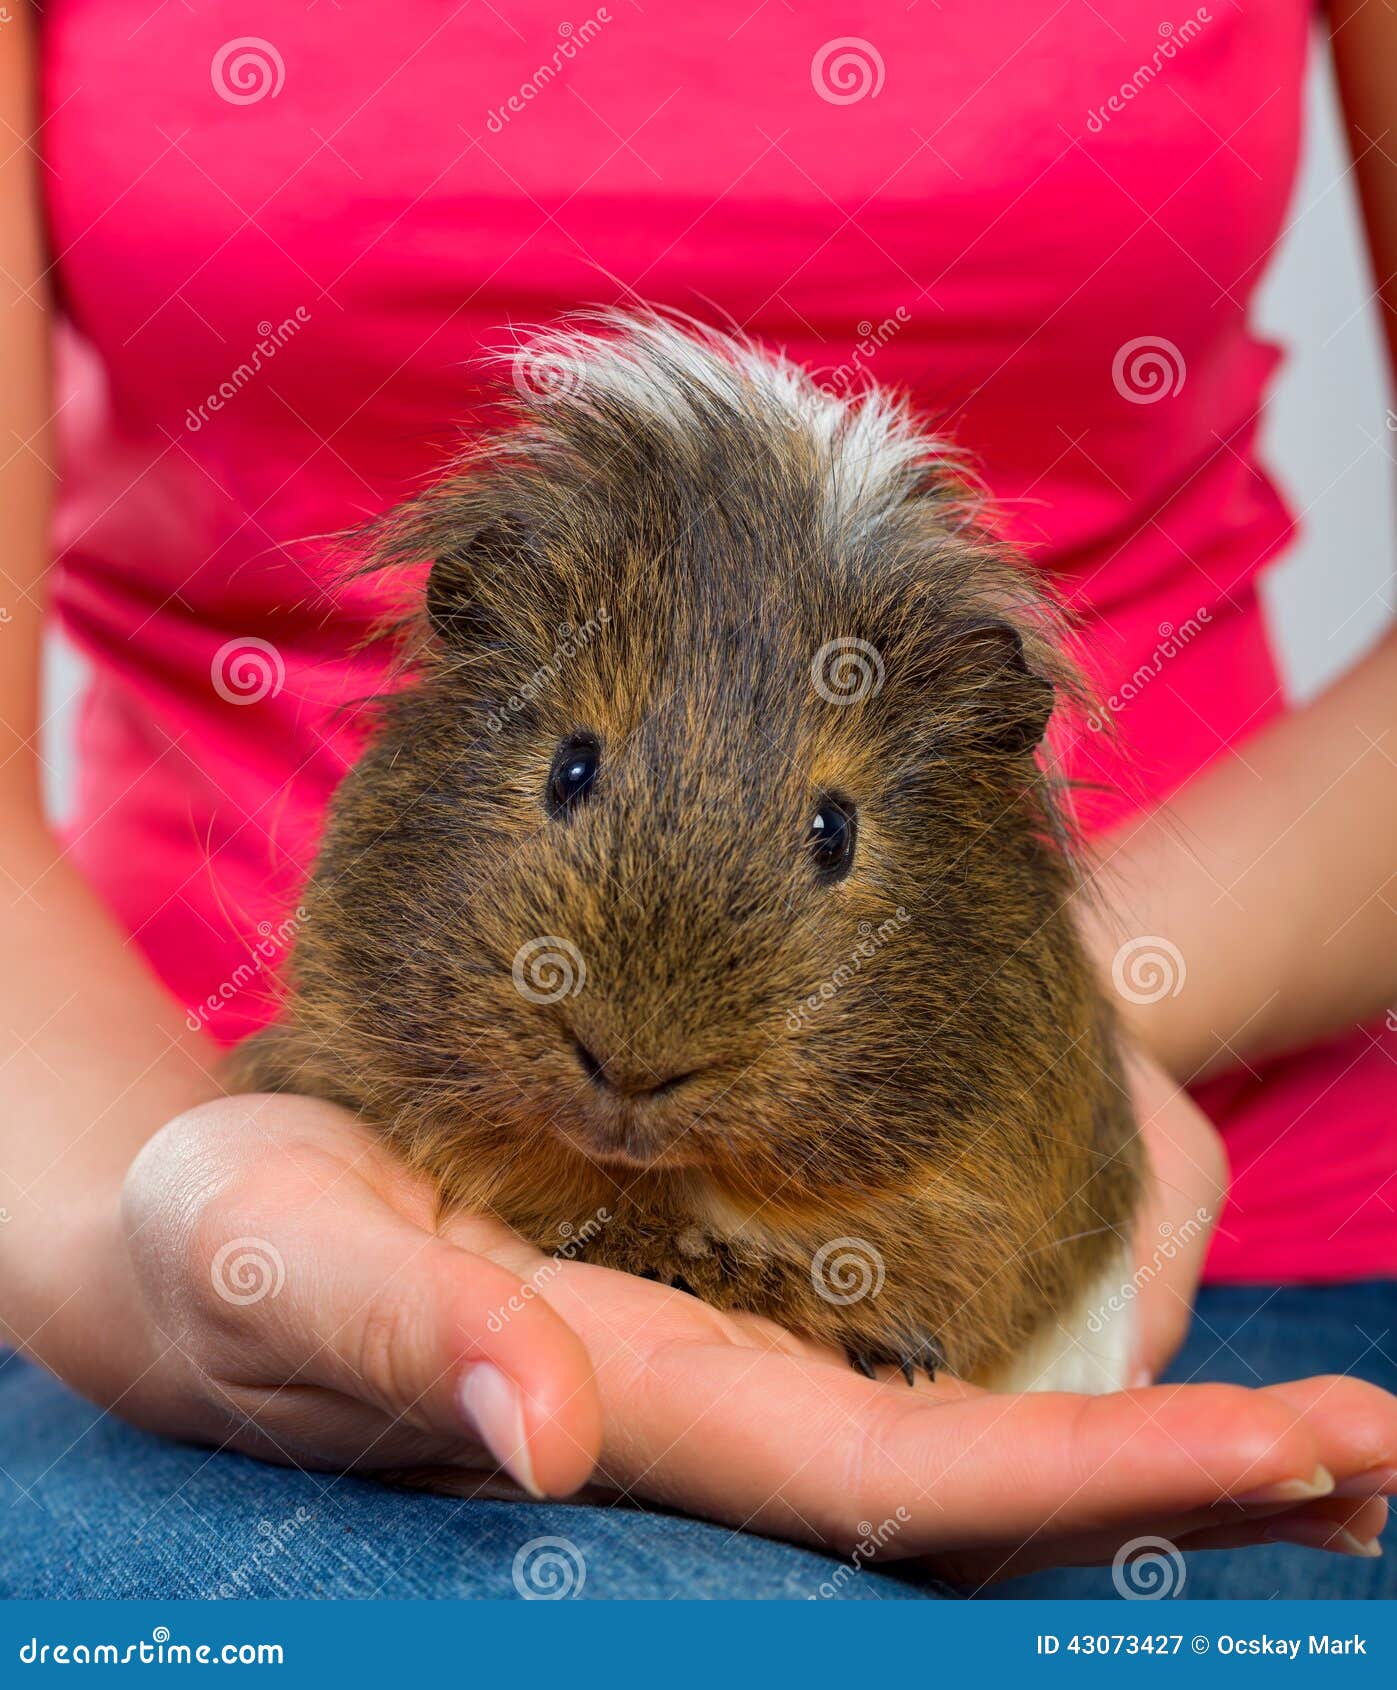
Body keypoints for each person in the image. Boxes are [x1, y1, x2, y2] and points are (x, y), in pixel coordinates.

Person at [1, 1, 1394, 1600]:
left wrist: (1097, 1031)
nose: (640, 1037)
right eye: (570, 775)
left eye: (827, 838)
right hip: (178, 1203)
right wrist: (158, 1249)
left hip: (1263, 1237)